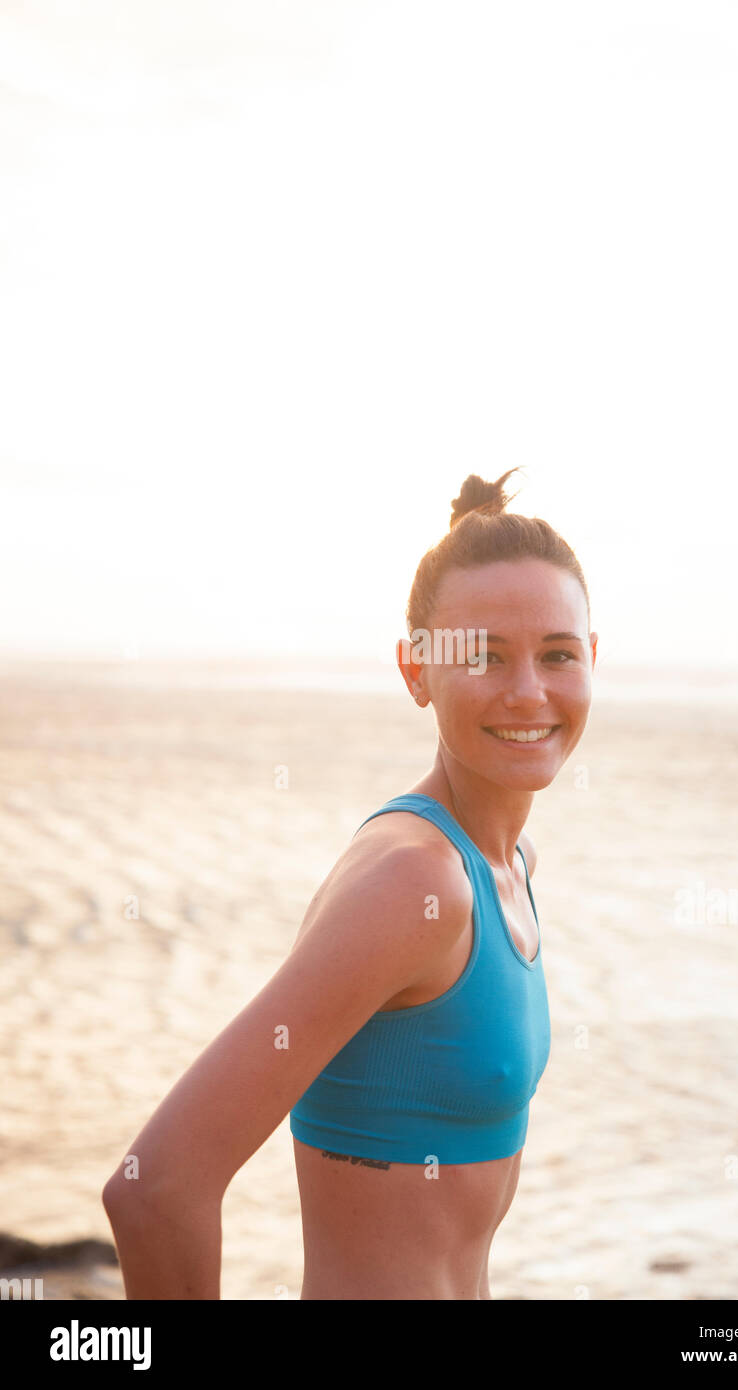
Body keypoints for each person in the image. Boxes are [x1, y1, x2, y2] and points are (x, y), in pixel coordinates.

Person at [102, 468, 598, 1299]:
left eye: (557, 654)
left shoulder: (508, 870)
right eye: (482, 655)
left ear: (592, 662)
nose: (527, 690)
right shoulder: (414, 882)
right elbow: (155, 1187)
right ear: (415, 672)